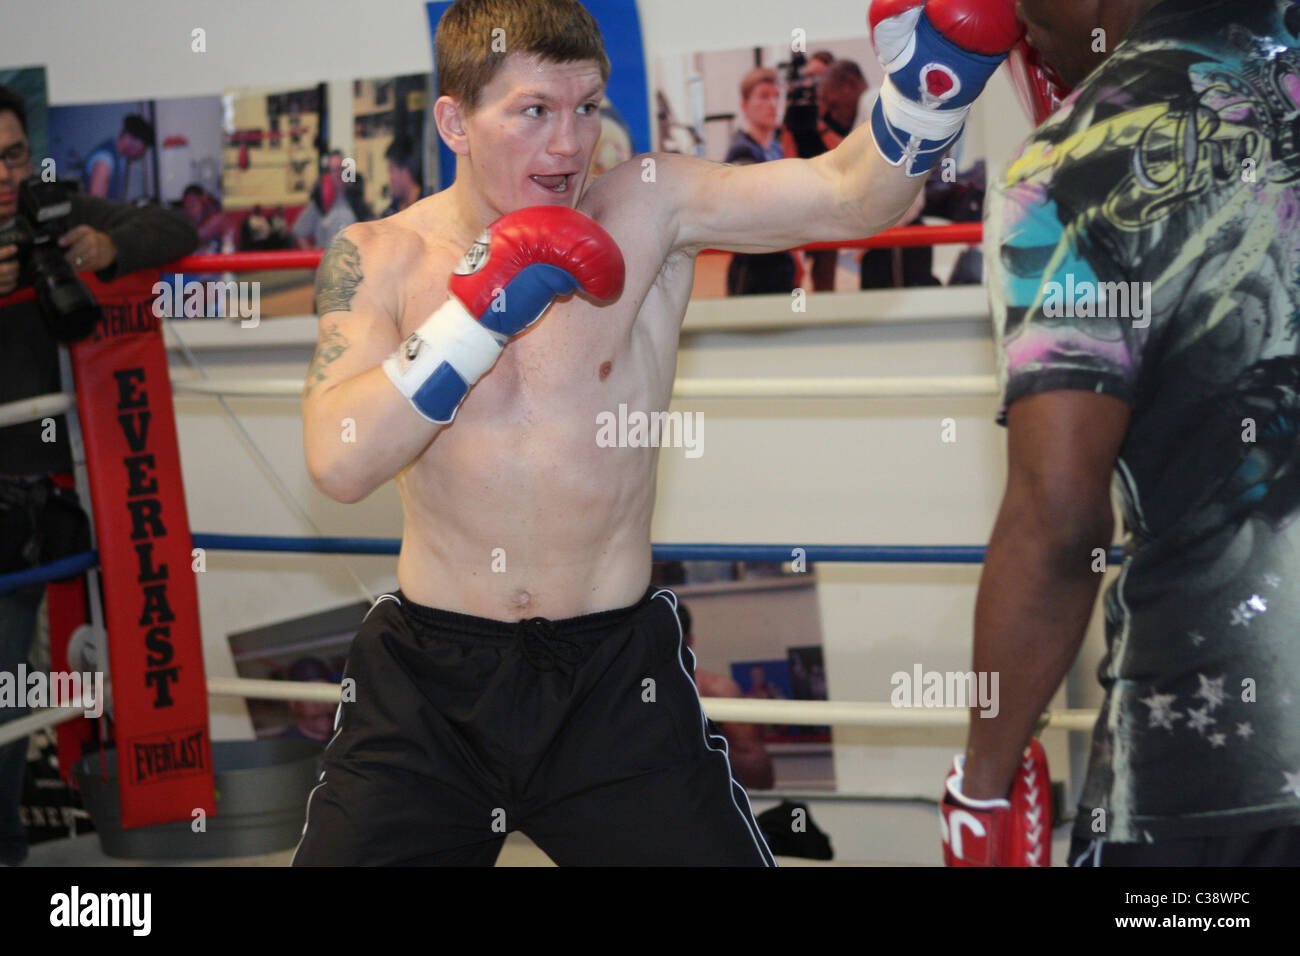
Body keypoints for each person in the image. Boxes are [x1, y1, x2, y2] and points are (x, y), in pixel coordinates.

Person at [293, 0, 1019, 866]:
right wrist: (470, 323)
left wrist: (931, 89)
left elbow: (850, 195)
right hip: (429, 685)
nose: (568, 145)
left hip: (612, 679)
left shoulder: (650, 204)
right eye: (533, 111)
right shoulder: (381, 256)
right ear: (455, 119)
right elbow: (340, 461)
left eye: (586, 107)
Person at [942, 0, 1300, 868]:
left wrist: (980, 788)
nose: (1017, 16)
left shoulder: (1079, 159)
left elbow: (1058, 522)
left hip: (1220, 772)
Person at [0, 84, 198, 867]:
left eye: (13, 154)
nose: (4, 173)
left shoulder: (50, 213)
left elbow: (175, 224)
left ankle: (23, 845)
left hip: (54, 499)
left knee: (31, 690)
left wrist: (104, 248)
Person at [783, 58, 871, 291]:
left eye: (819, 77)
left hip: (829, 199)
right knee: (792, 268)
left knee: (824, 272)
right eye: (809, 77)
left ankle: (824, 308)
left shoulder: (842, 111)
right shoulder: (796, 112)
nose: (813, 84)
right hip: (802, 196)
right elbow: (787, 153)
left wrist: (821, 125)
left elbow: (848, 152)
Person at [676, 602, 775, 789]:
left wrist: (706, 743)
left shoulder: (715, 691)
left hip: (697, 806)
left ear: (688, 641)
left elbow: (762, 777)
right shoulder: (622, 688)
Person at [722, 67, 797, 296]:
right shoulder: (742, 151)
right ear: (745, 105)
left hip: (780, 263)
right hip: (754, 270)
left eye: (777, 96)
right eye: (764, 96)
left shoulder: (775, 147)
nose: (773, 104)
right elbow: (757, 214)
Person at [81, 113, 154, 201]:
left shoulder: (121, 158)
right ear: (132, 140)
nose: (141, 153)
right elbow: (97, 204)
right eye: (143, 148)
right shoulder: (105, 159)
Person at [380, 135, 423, 217]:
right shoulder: (390, 214)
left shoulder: (428, 208)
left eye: (391, 170)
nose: (390, 179)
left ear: (405, 171)